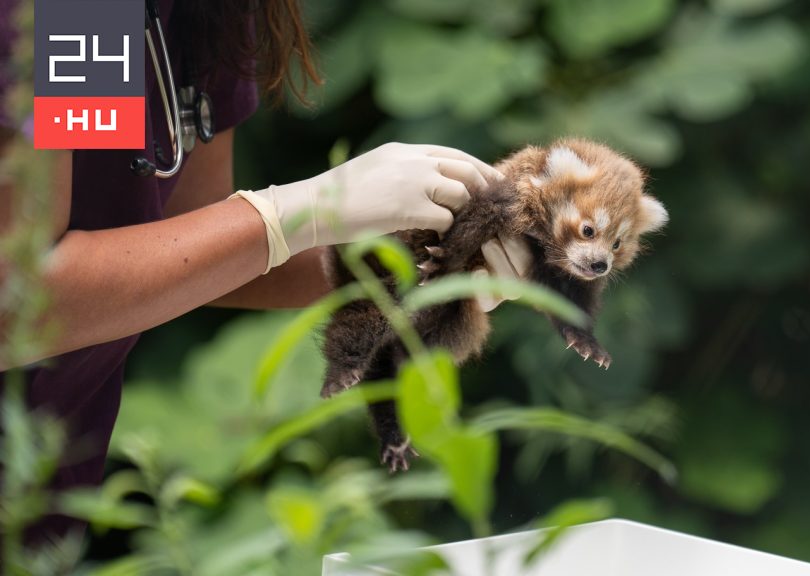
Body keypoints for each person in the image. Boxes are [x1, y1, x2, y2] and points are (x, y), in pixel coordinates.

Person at [0, 0, 530, 547]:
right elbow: (17, 307)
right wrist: (301, 209)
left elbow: (185, 237)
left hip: (45, 493)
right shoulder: (82, 11)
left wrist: (415, 261)